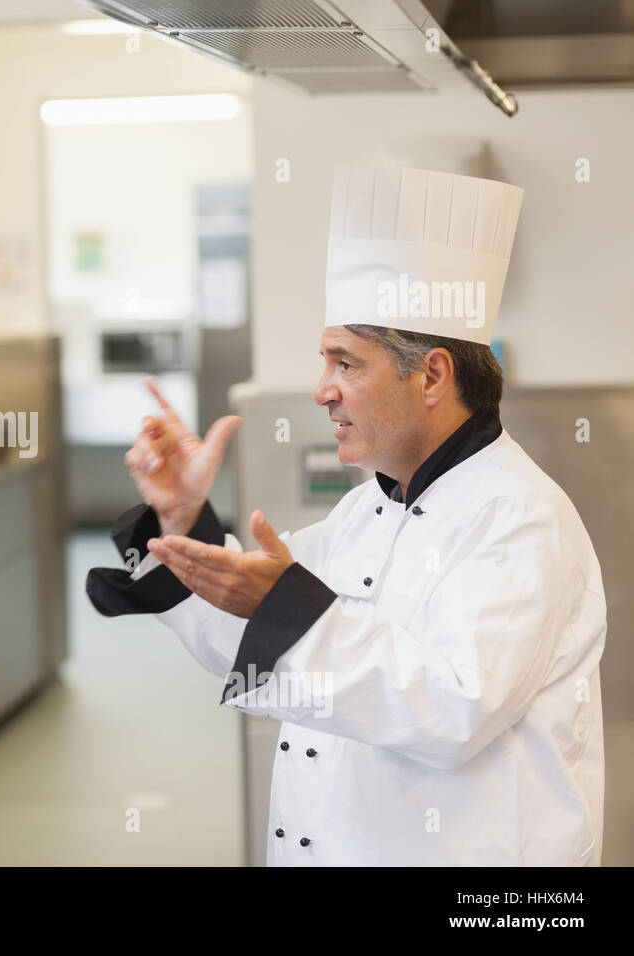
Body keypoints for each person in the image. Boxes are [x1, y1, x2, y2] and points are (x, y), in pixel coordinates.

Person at [87, 166, 606, 866]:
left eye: (345, 363)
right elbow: (241, 640)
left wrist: (288, 607)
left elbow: (453, 711)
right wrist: (182, 516)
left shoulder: (519, 518)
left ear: (431, 376)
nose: (321, 389)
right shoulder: (369, 507)